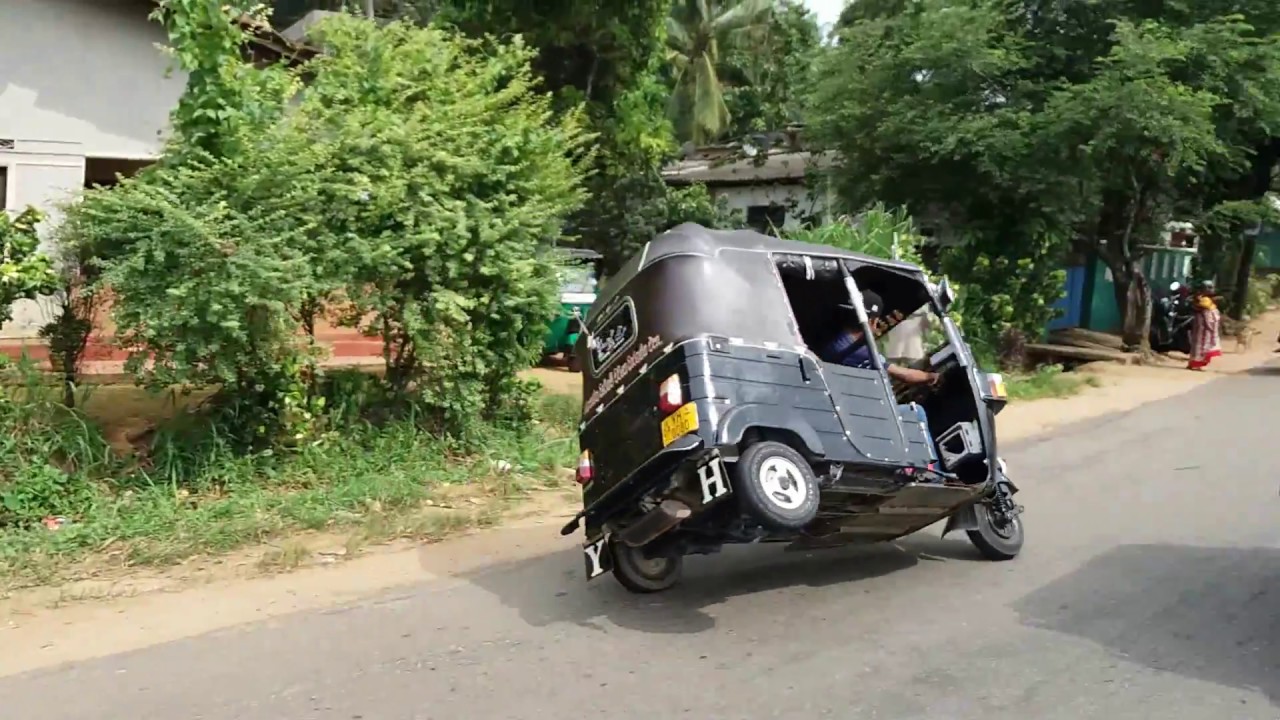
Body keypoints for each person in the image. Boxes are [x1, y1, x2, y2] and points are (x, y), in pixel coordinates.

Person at [822, 290, 940, 387]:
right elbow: (901, 374)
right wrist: (929, 377)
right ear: (872, 321)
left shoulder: (832, 337)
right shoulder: (858, 351)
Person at [1187, 280, 1222, 371]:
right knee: (1200, 345)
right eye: (1209, 288)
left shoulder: (1204, 299)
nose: (1211, 290)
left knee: (1199, 344)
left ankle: (1194, 363)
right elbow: (1204, 309)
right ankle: (1196, 364)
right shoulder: (1201, 299)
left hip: (1204, 326)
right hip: (1203, 326)